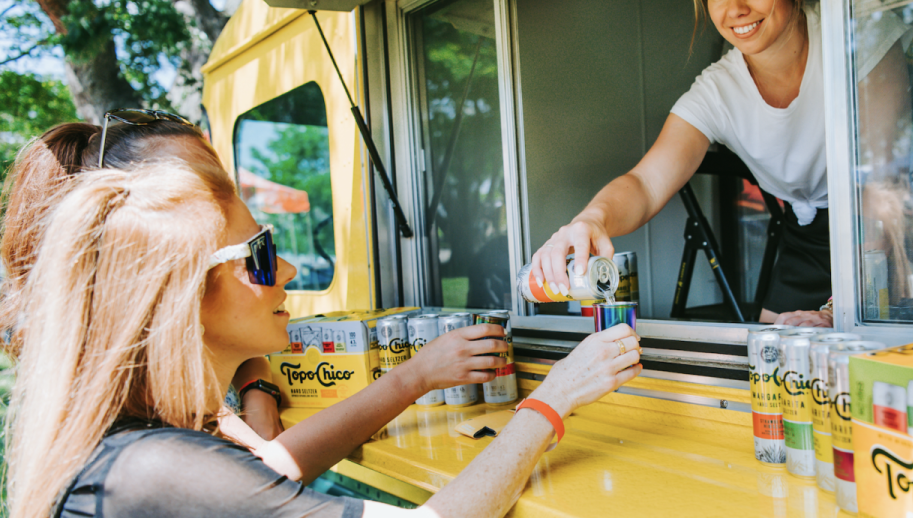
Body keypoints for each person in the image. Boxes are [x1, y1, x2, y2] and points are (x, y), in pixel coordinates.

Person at [7, 160, 642, 518]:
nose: (286, 271)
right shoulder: (152, 470)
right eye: (260, 255)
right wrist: (550, 402)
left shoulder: (145, 441)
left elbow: (269, 468)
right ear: (180, 296)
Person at [529, 0, 911, 327]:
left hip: (886, 226)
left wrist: (834, 310)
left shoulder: (858, 31)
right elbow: (646, 182)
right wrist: (590, 220)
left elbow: (882, 186)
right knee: (770, 360)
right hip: (806, 234)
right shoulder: (718, 90)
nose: (735, 10)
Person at [0, 115, 286, 439]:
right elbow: (269, 464)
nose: (210, 193)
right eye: (185, 182)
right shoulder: (124, 367)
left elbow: (243, 346)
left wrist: (257, 387)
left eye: (213, 179)